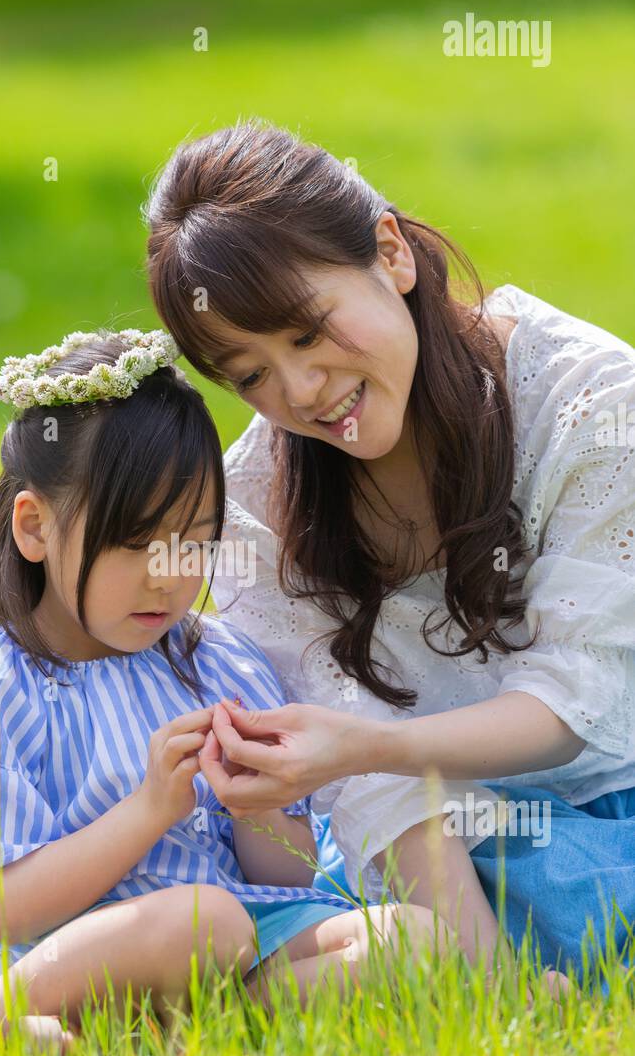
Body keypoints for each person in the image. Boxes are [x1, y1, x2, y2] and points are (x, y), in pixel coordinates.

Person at [0, 326, 457, 1056]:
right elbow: (1, 909)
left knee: (417, 940)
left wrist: (256, 805)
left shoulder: (215, 661)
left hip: (241, 937)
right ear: (34, 527)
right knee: (207, 923)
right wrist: (148, 811)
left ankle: (157, 1044)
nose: (169, 578)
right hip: (74, 958)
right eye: (136, 543)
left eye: (194, 545)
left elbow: (288, 877)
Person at [145, 119, 635, 982]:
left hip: (611, 799)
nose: (298, 391)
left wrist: (363, 747)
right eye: (250, 375)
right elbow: (364, 783)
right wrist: (488, 988)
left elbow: (571, 710)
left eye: (305, 333)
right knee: (383, 921)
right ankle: (495, 981)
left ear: (391, 253)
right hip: (438, 849)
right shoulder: (256, 506)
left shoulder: (589, 399)